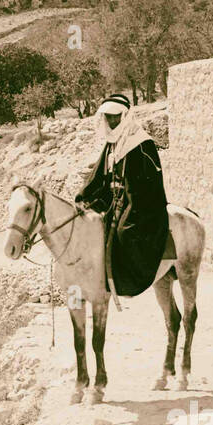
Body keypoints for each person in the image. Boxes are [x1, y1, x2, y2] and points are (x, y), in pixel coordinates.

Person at [75, 93, 169, 301]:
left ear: (125, 116)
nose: (112, 120)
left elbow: (147, 185)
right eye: (108, 117)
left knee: (124, 232)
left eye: (116, 116)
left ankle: (128, 280)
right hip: (115, 199)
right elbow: (99, 173)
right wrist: (84, 196)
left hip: (139, 204)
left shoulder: (141, 143)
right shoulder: (113, 142)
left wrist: (128, 203)